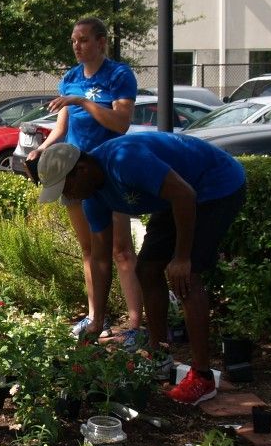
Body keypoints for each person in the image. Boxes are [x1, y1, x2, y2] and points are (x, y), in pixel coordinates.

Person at [36, 133, 246, 406]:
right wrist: (96, 321)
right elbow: (100, 260)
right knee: (147, 269)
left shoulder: (126, 160)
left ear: (82, 169)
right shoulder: (93, 197)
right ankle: (159, 355)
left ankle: (202, 377)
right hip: (179, 196)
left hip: (215, 187)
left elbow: (185, 194)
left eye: (66, 187)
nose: (67, 196)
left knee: (188, 278)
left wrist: (182, 257)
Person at [25, 17, 144, 349]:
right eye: (73, 40)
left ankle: (135, 323)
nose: (77, 46)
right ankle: (96, 319)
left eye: (84, 40)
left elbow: (120, 124)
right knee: (90, 251)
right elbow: (62, 128)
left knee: (120, 251)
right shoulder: (70, 78)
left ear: (101, 42)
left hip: (107, 171)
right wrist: (42, 150)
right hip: (74, 176)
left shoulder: (119, 75)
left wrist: (83, 103)